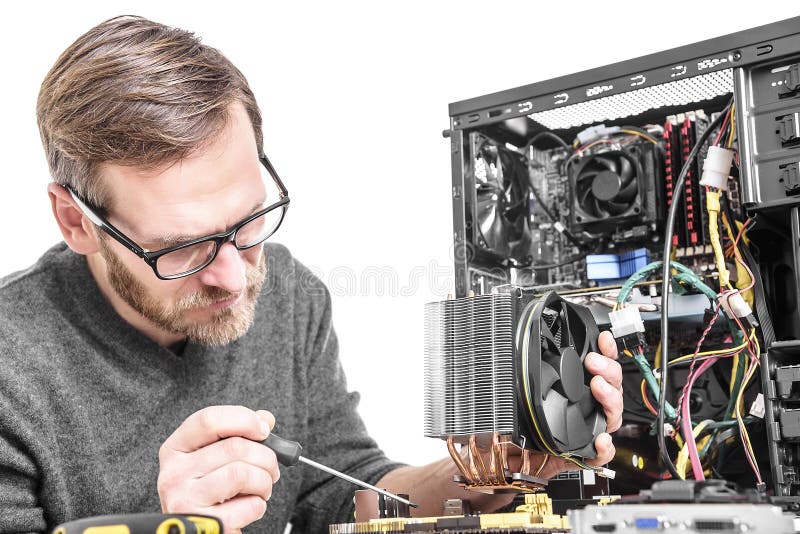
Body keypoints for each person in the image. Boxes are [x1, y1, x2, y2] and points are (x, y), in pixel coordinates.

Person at [0, 15, 623, 534]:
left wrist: (502, 466)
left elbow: (346, 494)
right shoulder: (12, 373)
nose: (235, 278)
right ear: (75, 221)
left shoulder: (290, 294)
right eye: (183, 249)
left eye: (248, 223)